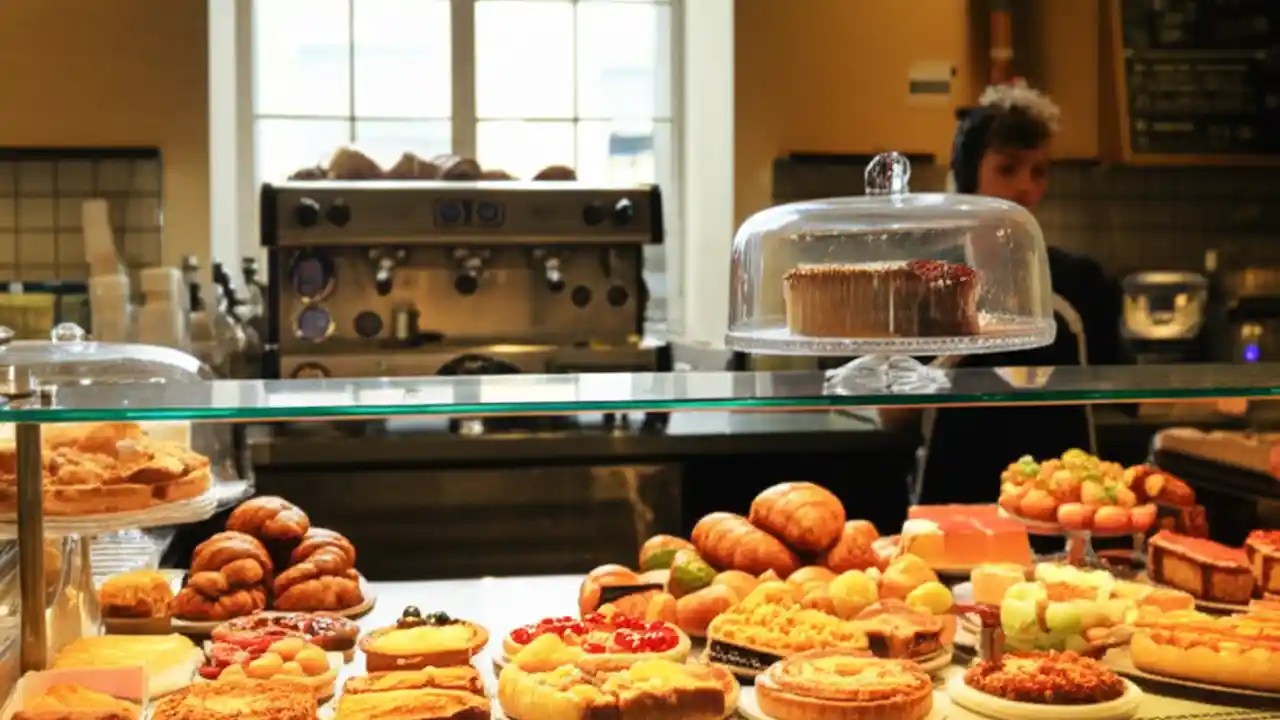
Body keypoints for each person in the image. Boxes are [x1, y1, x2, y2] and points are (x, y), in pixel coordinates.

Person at [913, 81, 1132, 504]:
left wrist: (1215, 409)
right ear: (967, 174)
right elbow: (890, 415)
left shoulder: (1079, 280)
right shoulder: (928, 278)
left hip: (1061, 510)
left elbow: (1127, 390)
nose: (1025, 187)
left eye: (1039, 171)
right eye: (1008, 169)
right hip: (953, 503)